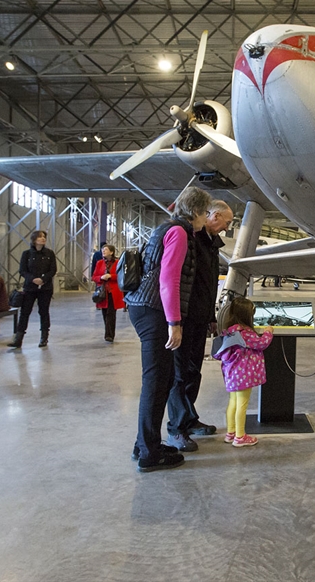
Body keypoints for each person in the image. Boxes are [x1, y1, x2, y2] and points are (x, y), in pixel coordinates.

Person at [124, 187, 213, 472]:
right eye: (206, 212)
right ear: (197, 212)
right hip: (155, 312)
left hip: (145, 308)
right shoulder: (180, 232)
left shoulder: (167, 227)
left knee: (159, 381)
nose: (206, 219)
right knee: (156, 382)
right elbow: (169, 280)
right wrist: (175, 323)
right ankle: (149, 453)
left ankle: (145, 444)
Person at [165, 199, 235, 449]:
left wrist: (211, 317)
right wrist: (175, 321)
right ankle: (176, 429)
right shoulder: (188, 237)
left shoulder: (210, 242)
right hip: (183, 319)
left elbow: (206, 284)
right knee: (179, 375)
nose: (226, 228)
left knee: (194, 371)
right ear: (213, 216)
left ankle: (189, 418)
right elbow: (175, 282)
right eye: (226, 223)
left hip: (199, 318)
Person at [216, 296, 273, 448]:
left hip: (231, 374)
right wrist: (268, 332)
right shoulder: (246, 333)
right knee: (242, 404)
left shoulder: (229, 332)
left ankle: (231, 433)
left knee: (233, 402)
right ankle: (240, 436)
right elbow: (261, 343)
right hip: (243, 376)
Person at [9, 230, 57, 352]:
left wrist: (43, 279)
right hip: (30, 287)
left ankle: (44, 337)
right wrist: (32, 279)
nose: (43, 239)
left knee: (44, 312)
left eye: (44, 237)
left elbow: (53, 270)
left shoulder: (50, 253)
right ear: (34, 239)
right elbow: (22, 270)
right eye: (40, 237)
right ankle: (18, 338)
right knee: (25, 312)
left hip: (45, 288)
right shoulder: (27, 254)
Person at [92, 244, 124, 342]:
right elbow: (94, 276)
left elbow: (121, 275)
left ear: (111, 252)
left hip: (113, 292)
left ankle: (109, 335)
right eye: (103, 250)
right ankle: (108, 331)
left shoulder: (118, 262)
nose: (103, 251)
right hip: (103, 292)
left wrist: (111, 276)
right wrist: (101, 278)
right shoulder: (99, 263)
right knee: (104, 313)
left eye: (105, 250)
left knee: (111, 313)